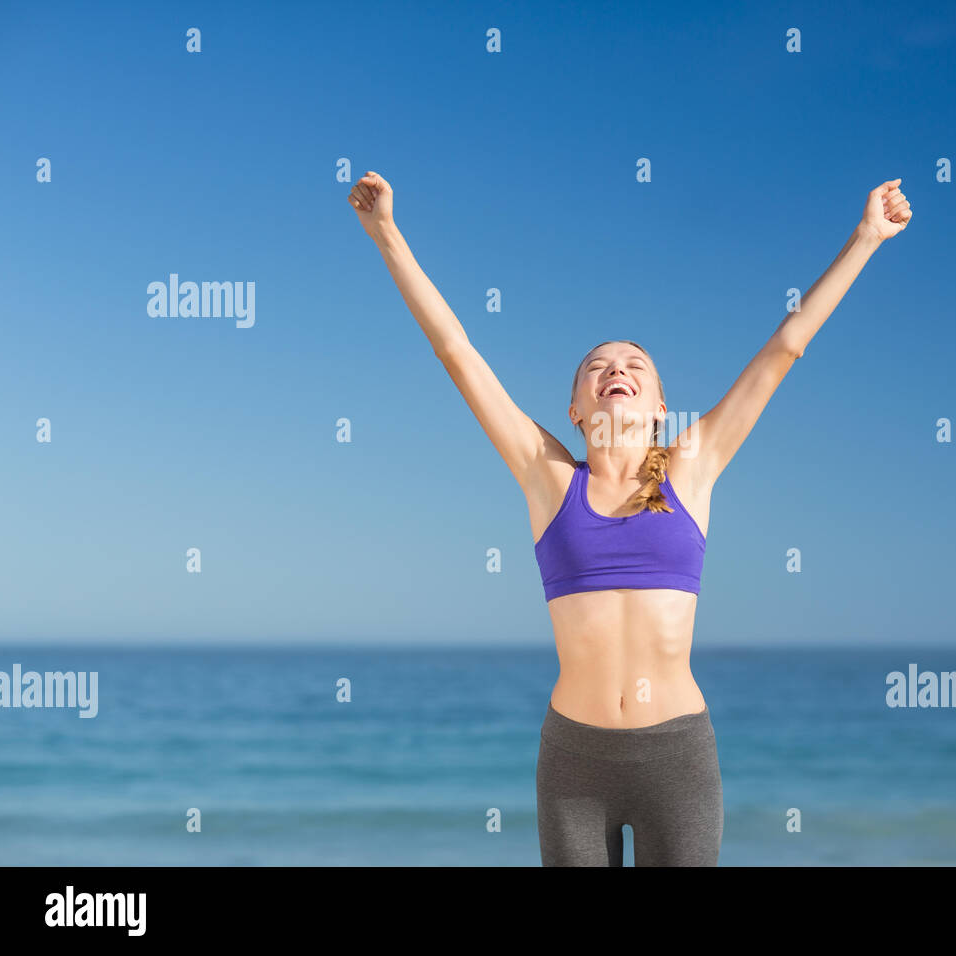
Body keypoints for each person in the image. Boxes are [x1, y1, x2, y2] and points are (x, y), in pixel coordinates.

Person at [348, 170, 912, 865]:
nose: (615, 368)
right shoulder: (547, 476)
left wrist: (865, 238)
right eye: (596, 367)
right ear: (576, 411)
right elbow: (457, 352)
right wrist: (387, 235)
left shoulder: (691, 468)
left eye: (634, 365)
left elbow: (784, 349)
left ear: (658, 407)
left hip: (676, 758)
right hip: (574, 764)